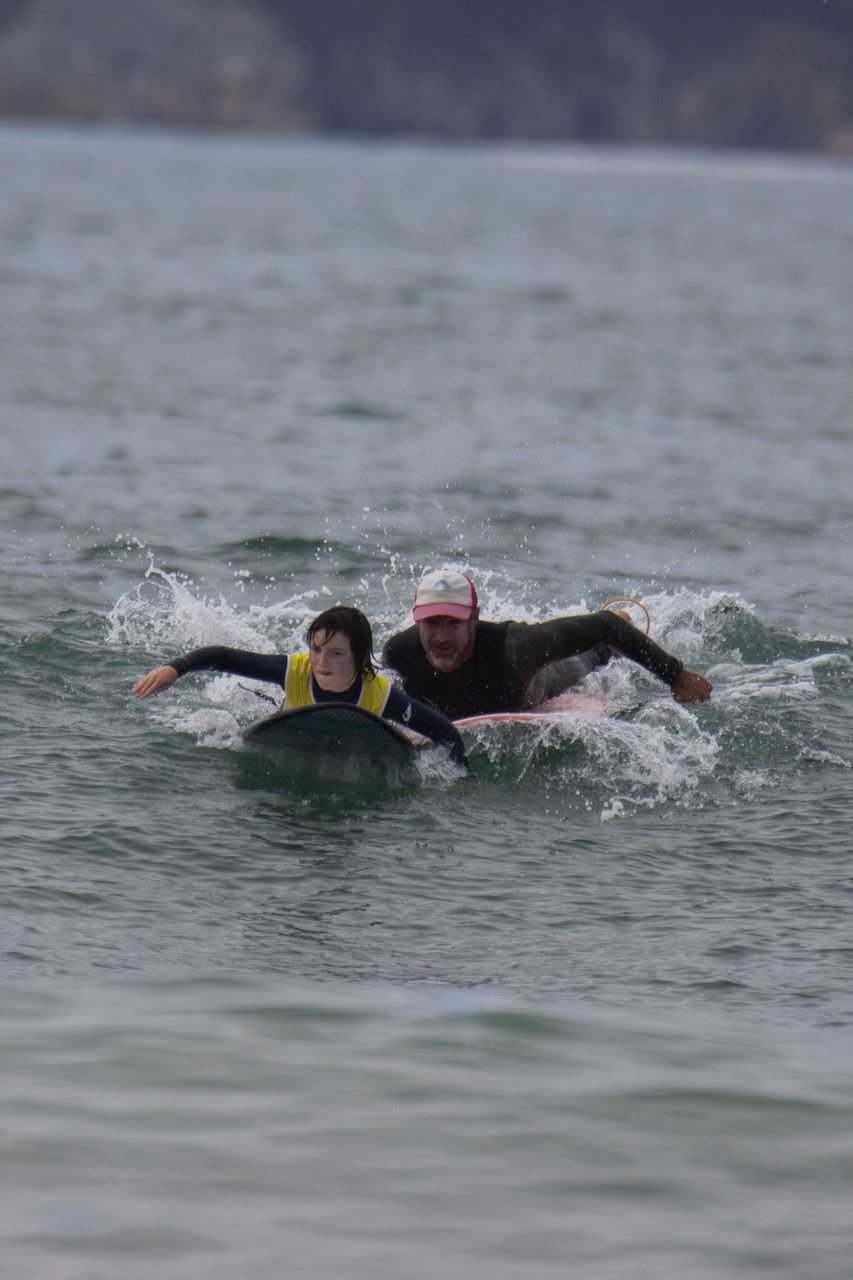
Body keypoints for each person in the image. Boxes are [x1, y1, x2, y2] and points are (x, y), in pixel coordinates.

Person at [133, 604, 470, 770]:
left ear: (361, 658)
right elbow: (222, 656)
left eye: (336, 653)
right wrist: (174, 669)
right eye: (317, 649)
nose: (321, 662)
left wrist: (461, 775)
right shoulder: (295, 671)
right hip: (293, 732)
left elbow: (445, 732)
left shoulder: (380, 694)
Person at [381, 569, 713, 721]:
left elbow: (605, 626)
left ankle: (606, 649)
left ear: (473, 619)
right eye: (432, 623)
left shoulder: (516, 647)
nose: (441, 637)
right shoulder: (398, 653)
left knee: (583, 661)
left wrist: (676, 675)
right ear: (416, 620)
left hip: (531, 690)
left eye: (453, 623)